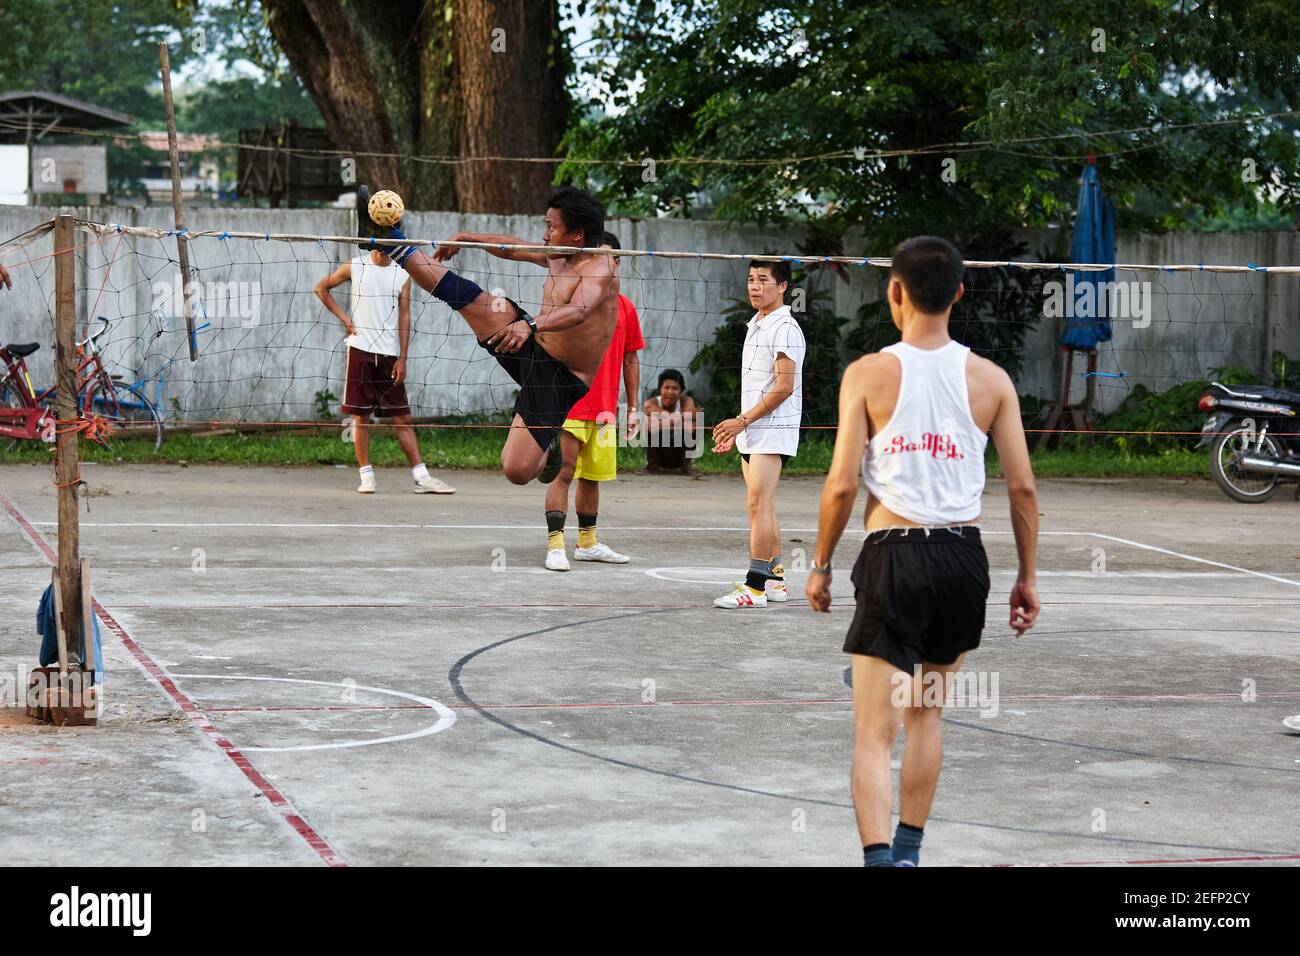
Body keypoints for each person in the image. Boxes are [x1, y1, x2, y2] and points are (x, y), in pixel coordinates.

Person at [805, 236, 1041, 867]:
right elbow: (1022, 485)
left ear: (895, 292)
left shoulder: (868, 374)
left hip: (894, 555)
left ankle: (880, 860)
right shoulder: (992, 380)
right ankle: (909, 854)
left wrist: (822, 564)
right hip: (965, 558)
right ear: (960, 293)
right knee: (927, 718)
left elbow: (842, 484)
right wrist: (1028, 577)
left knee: (873, 732)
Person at [356, 184, 618, 485]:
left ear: (578, 235)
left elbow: (579, 310)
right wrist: (469, 238)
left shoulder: (601, 267)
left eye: (551, 227)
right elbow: (513, 247)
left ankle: (548, 448)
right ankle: (392, 241)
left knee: (516, 470)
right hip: (530, 345)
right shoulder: (559, 253)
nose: (545, 235)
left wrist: (528, 325)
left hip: (560, 378)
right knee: (473, 301)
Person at [539, 231, 643, 571]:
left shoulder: (625, 308)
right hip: (570, 401)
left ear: (618, 262)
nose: (606, 265)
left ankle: (587, 543)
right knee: (564, 471)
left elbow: (631, 358)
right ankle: (556, 546)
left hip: (605, 410)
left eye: (611, 258)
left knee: (593, 477)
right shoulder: (573, 300)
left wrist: (633, 407)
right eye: (598, 258)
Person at [314, 247, 455, 495]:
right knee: (361, 418)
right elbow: (321, 289)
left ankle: (422, 477)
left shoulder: (403, 272)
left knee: (403, 418)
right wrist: (345, 319)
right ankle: (366, 476)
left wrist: (403, 358)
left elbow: (405, 315)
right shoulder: (355, 265)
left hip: (390, 356)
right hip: (360, 350)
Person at [711, 260, 805, 608]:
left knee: (758, 505)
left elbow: (783, 387)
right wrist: (740, 427)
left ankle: (754, 589)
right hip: (753, 428)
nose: (754, 286)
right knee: (764, 507)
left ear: (783, 287)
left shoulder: (785, 327)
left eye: (763, 280)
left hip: (772, 428)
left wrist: (742, 422)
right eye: (751, 279)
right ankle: (776, 579)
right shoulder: (757, 324)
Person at [642, 369, 700, 474]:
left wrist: (663, 423)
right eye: (666, 387)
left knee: (693, 425)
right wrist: (682, 417)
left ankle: (686, 467)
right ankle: (652, 466)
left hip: (679, 455)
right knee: (649, 427)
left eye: (675, 388)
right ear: (660, 389)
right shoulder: (650, 403)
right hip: (659, 455)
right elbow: (652, 428)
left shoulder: (687, 401)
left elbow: (690, 428)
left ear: (681, 390)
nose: (670, 392)